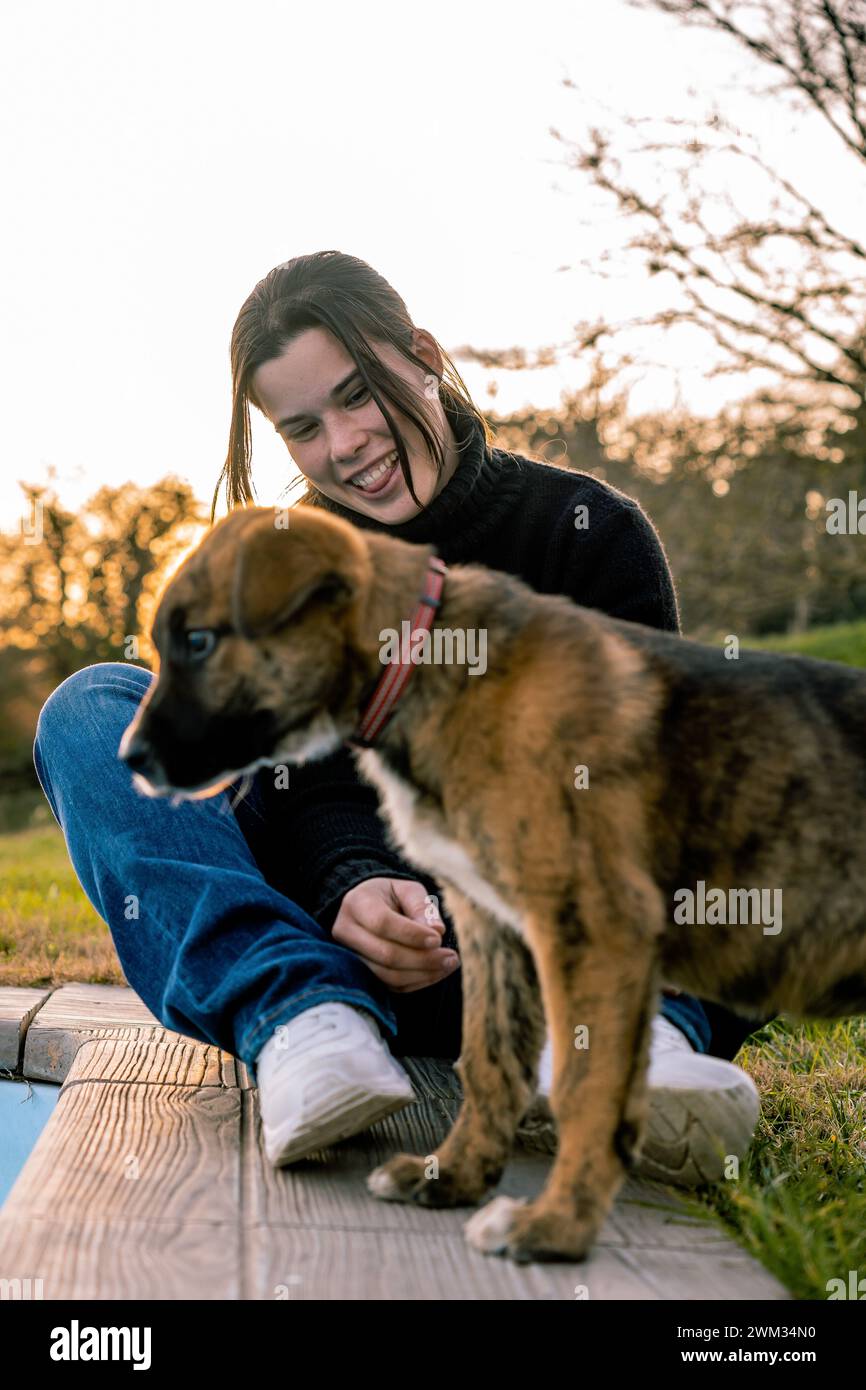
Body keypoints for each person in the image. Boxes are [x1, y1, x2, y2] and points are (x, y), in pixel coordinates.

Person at [33, 250, 763, 1190]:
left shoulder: (587, 530)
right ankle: (302, 1024)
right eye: (301, 427)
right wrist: (350, 886)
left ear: (421, 355)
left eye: (357, 394)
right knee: (95, 707)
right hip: (362, 960)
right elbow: (311, 784)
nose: (343, 445)